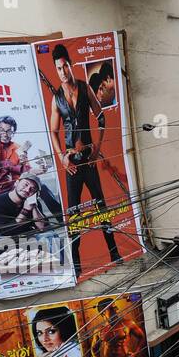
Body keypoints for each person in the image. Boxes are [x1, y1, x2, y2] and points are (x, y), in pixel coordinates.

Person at [45, 42, 124, 272]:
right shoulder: (56, 99)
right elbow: (53, 131)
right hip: (72, 166)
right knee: (74, 216)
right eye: (58, 69)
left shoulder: (85, 88)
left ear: (70, 65)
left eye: (65, 66)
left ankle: (115, 254)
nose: (63, 71)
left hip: (88, 159)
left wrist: (97, 147)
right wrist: (61, 158)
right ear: (56, 70)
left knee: (102, 207)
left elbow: (101, 117)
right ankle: (77, 265)